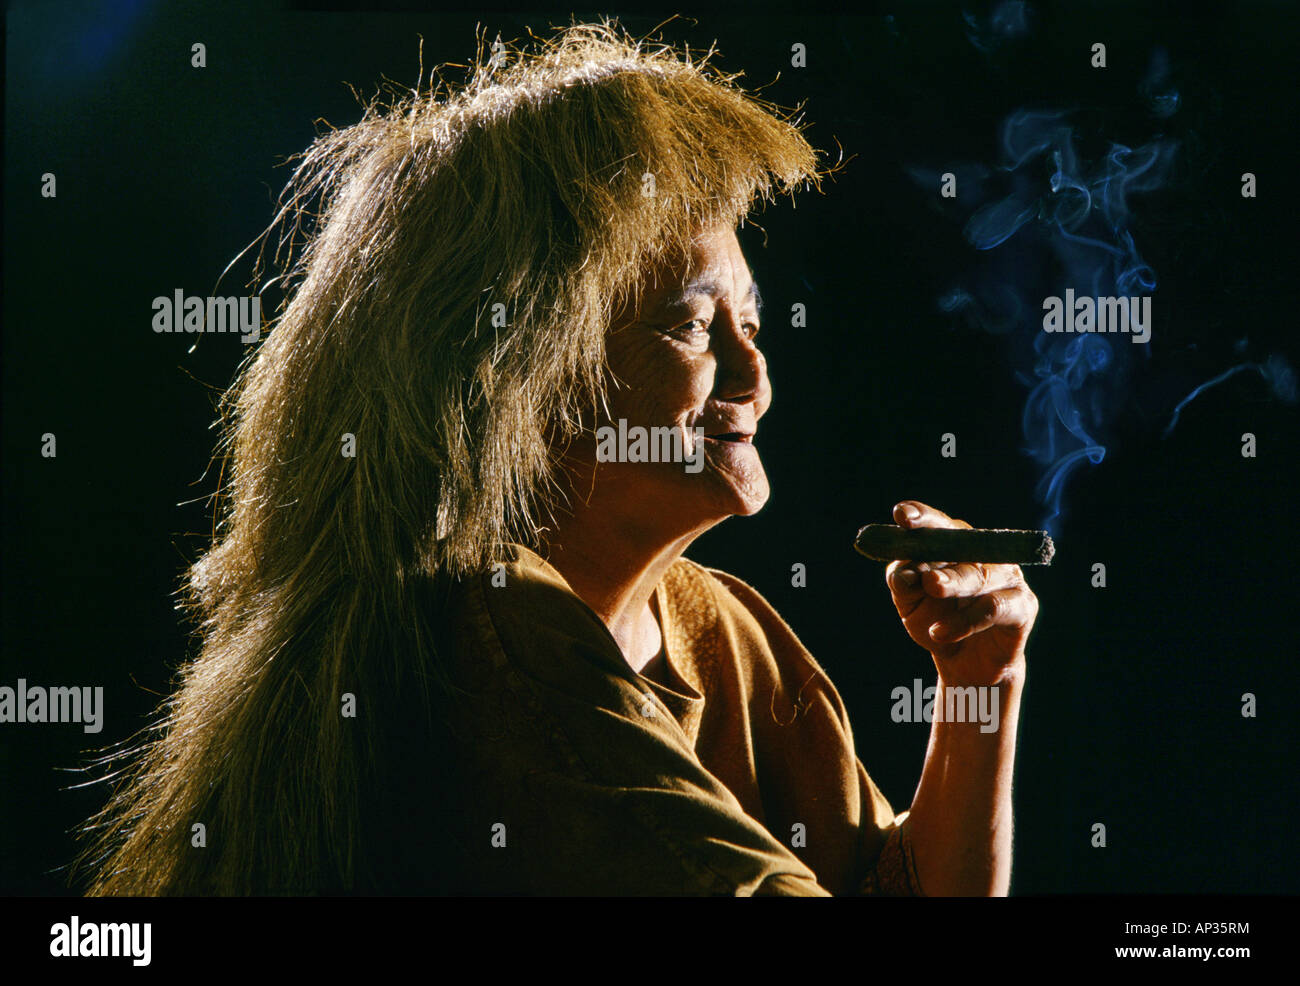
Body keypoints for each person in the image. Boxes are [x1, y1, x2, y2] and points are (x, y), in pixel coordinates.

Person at [76, 21, 1037, 897]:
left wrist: (980, 686)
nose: (753, 376)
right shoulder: (485, 631)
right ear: (520, 367)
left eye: (754, 323)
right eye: (692, 325)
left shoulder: (723, 628)